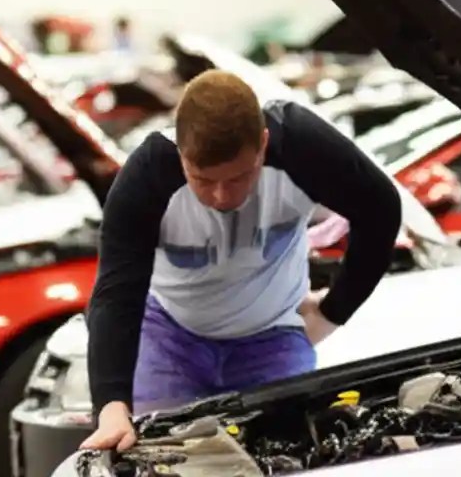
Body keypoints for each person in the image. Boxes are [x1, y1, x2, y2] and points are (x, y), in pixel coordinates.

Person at [81, 70, 401, 450]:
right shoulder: (149, 174)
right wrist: (111, 405)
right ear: (180, 152)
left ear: (263, 143)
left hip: (273, 337)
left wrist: (335, 310)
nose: (220, 196)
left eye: (237, 178)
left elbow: (381, 209)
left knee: (290, 454)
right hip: (170, 337)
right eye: (202, 179)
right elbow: (116, 292)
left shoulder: (301, 148)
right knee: (159, 457)